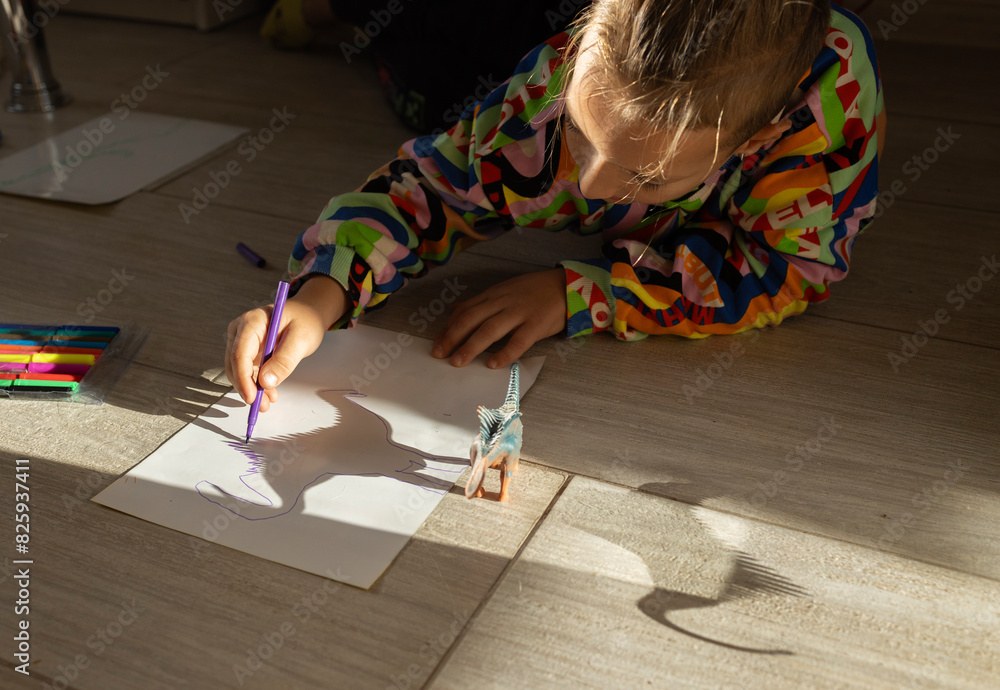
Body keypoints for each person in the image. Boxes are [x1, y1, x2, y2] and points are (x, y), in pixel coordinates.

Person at [226, 0, 884, 413]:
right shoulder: (567, 68)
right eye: (578, 129)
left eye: (643, 174)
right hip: (511, 33)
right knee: (427, 58)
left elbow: (788, 270)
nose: (589, 187)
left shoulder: (823, 112)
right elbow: (425, 186)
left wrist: (585, 292)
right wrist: (320, 294)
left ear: (757, 140)